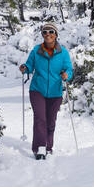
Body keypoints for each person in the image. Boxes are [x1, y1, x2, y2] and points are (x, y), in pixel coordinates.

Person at [19, 21, 72, 160]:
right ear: (42, 35)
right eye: (45, 32)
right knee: (40, 118)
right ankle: (40, 147)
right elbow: (30, 65)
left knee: (51, 121)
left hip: (55, 92)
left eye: (51, 32)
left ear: (56, 35)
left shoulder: (63, 52)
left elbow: (69, 69)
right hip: (37, 89)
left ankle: (48, 147)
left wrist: (66, 75)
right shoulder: (36, 51)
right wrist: (25, 68)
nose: (48, 34)